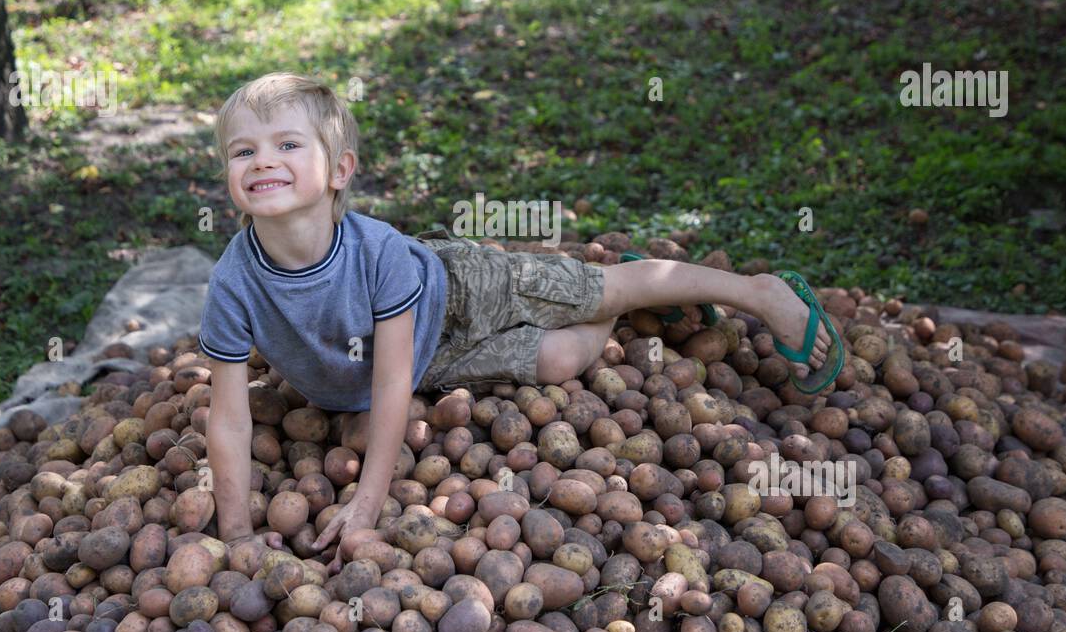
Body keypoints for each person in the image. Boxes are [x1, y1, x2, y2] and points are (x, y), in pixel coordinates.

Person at [199, 72, 832, 573]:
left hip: (458, 292)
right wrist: (235, 533)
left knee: (597, 288)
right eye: (243, 151)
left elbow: (391, 385)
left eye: (286, 145)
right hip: (428, 362)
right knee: (561, 361)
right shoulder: (232, 282)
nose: (261, 161)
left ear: (339, 171)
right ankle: (625, 309)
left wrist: (365, 507)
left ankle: (758, 292)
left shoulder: (380, 255)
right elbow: (229, 414)